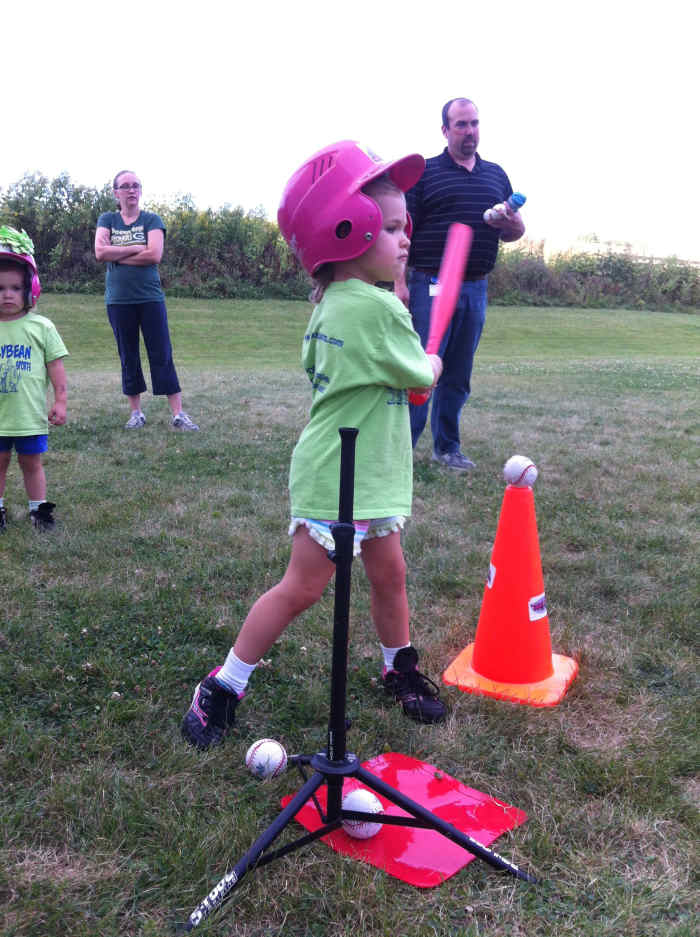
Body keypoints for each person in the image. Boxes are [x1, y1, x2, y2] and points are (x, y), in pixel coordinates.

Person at [182, 140, 446, 750]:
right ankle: (223, 684)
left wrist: (404, 341)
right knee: (302, 587)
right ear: (346, 230)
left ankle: (397, 667)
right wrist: (429, 362)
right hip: (341, 474)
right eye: (395, 228)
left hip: (364, 468)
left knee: (390, 573)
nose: (407, 239)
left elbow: (384, 379)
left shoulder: (340, 301)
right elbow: (419, 375)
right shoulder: (374, 310)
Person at [395, 98, 525, 471]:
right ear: (445, 130)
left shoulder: (496, 176)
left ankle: (447, 448)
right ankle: (402, 450)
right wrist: (399, 283)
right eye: (461, 125)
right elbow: (403, 231)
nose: (470, 132)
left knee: (458, 372)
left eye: (474, 124)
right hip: (430, 284)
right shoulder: (426, 172)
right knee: (422, 368)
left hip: (475, 287)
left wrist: (511, 224)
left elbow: (514, 231)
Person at [94, 170, 198, 431]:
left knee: (161, 353)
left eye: (135, 186)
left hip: (150, 298)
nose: (131, 190)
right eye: (125, 186)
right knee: (128, 355)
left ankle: (178, 414)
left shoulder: (152, 219)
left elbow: (154, 255)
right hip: (118, 300)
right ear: (115, 192)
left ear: (140, 190)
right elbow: (99, 252)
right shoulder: (107, 219)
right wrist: (135, 248)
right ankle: (136, 413)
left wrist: (115, 254)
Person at [0, 226, 68, 531]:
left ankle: (39, 511)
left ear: (30, 289)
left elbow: (55, 367)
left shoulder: (41, 327)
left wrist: (61, 401)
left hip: (29, 416)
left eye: (15, 288)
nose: (7, 295)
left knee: (31, 464)